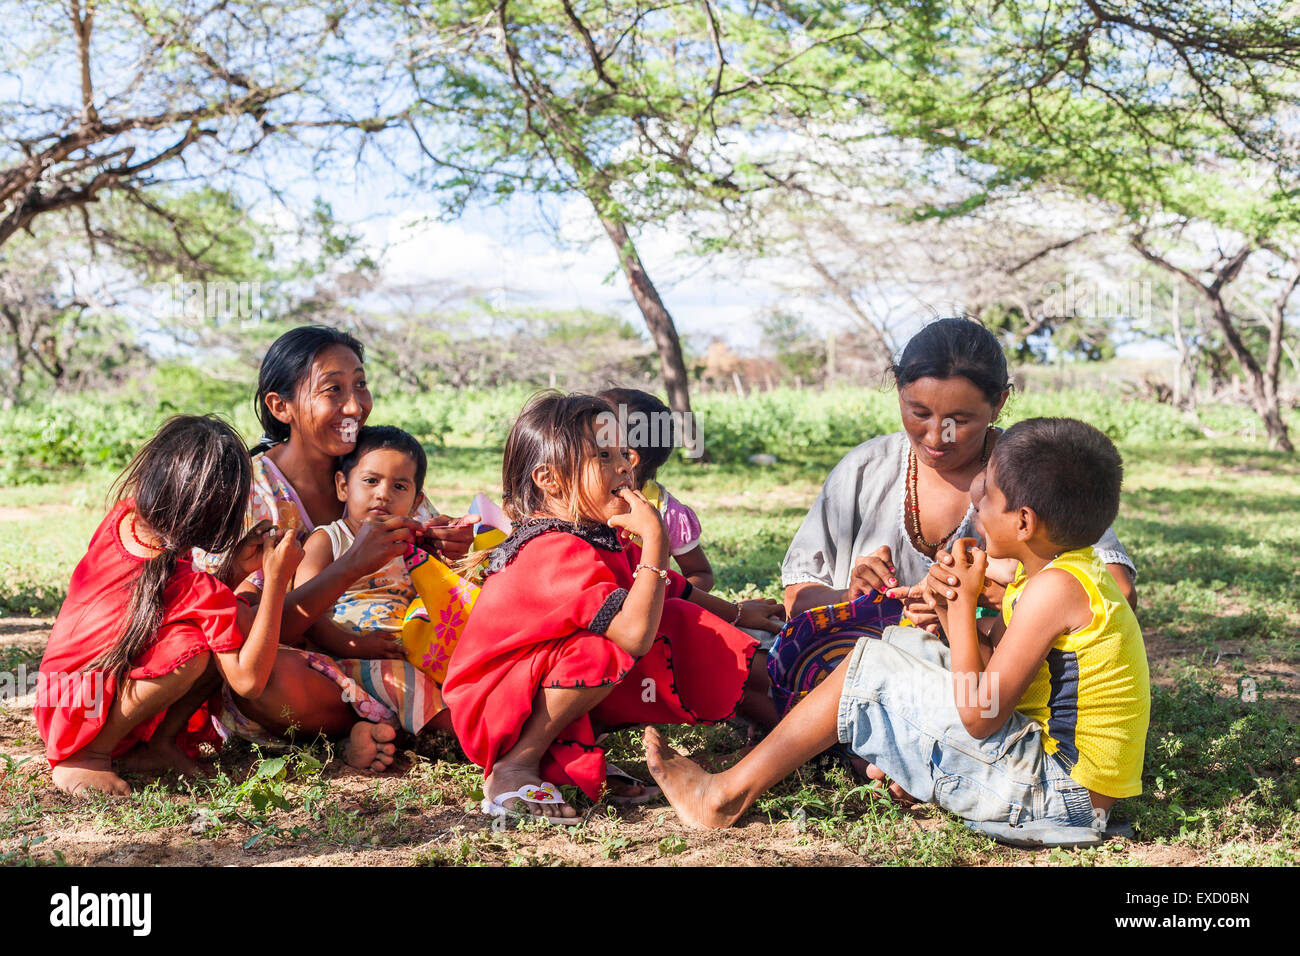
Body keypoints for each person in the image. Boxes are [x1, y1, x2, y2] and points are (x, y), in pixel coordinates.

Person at [643, 417, 1150, 837]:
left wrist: (963, 606)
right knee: (902, 643)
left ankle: (723, 798)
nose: (973, 508)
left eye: (986, 500)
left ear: (1024, 523)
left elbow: (982, 714)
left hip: (1061, 799)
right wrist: (958, 617)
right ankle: (893, 764)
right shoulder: (1065, 574)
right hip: (1063, 787)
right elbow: (999, 675)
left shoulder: (1050, 590)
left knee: (873, 664)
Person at [442, 392, 784, 823]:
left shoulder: (594, 535)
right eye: (603, 456)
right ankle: (515, 765)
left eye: (623, 452)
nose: (624, 466)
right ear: (551, 480)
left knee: (673, 615)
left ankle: (794, 712)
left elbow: (674, 590)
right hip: (493, 709)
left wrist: (735, 614)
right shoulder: (554, 549)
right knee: (608, 647)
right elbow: (634, 635)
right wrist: (656, 541)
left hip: (530, 691)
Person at [195, 325, 475, 759]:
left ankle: (381, 727)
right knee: (265, 684)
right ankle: (403, 724)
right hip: (301, 673)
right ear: (280, 406)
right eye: (333, 390)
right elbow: (232, 626)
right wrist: (350, 567)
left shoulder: (377, 464)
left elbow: (425, 549)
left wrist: (445, 544)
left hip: (395, 656)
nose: (353, 405)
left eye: (360, 385)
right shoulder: (252, 494)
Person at [781, 318, 1137, 628]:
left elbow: (1117, 595)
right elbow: (797, 597)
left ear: (999, 403)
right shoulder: (864, 470)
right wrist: (852, 596)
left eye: (959, 421)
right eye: (919, 412)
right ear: (899, 390)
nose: (937, 436)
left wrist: (992, 600)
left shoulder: (1034, 469)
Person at [34, 416, 303, 796]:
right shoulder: (198, 589)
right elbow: (249, 682)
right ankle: (87, 757)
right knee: (192, 650)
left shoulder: (123, 520)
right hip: (76, 720)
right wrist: (275, 580)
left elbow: (171, 604)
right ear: (219, 518)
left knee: (193, 638)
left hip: (58, 697)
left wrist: (231, 570)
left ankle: (156, 747)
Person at [293, 425, 474, 730]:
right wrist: (353, 645)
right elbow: (306, 613)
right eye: (371, 481)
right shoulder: (328, 540)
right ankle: (457, 731)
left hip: (413, 652)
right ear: (343, 486)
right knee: (404, 681)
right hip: (352, 658)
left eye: (399, 487)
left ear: (417, 503)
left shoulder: (412, 545)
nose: (383, 494)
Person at [597, 387, 714, 591]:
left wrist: (668, 597)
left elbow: (701, 574)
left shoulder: (667, 512)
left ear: (627, 459)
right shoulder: (575, 502)